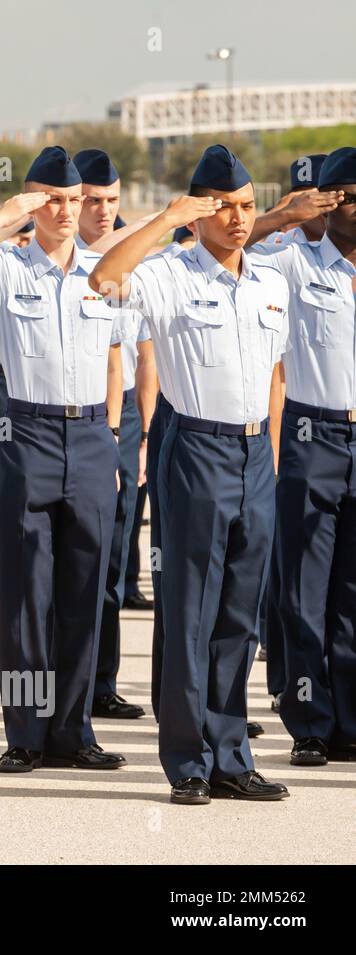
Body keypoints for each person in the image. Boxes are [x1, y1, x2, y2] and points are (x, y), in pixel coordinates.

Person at [90, 144, 291, 804]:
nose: (238, 219)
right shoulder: (170, 273)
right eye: (224, 208)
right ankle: (189, 760)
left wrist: (275, 459)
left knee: (240, 614)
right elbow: (104, 277)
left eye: (246, 206)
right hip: (195, 450)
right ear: (199, 215)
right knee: (191, 608)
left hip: (254, 453)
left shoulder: (271, 284)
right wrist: (162, 218)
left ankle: (231, 751)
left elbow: (276, 377)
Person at [0, 147, 127, 773]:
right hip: (27, 436)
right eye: (51, 201)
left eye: (73, 201)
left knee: (84, 591)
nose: (66, 212)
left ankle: (73, 731)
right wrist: (6, 215)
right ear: (33, 205)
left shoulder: (106, 270)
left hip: (92, 434)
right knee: (24, 596)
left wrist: (113, 441)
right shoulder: (6, 268)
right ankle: (26, 734)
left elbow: (117, 357)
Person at [252, 147, 356, 766]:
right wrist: (283, 213)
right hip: (313, 437)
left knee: (352, 589)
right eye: (346, 195)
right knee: (303, 589)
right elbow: (222, 250)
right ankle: (310, 721)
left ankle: (349, 717)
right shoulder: (293, 261)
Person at [72, 148, 148, 722]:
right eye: (92, 201)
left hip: (108, 424)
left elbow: (122, 358)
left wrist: (126, 437)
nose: (102, 211)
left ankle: (103, 682)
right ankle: (53, 699)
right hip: (50, 426)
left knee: (111, 559)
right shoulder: (42, 264)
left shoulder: (128, 266)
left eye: (112, 201)